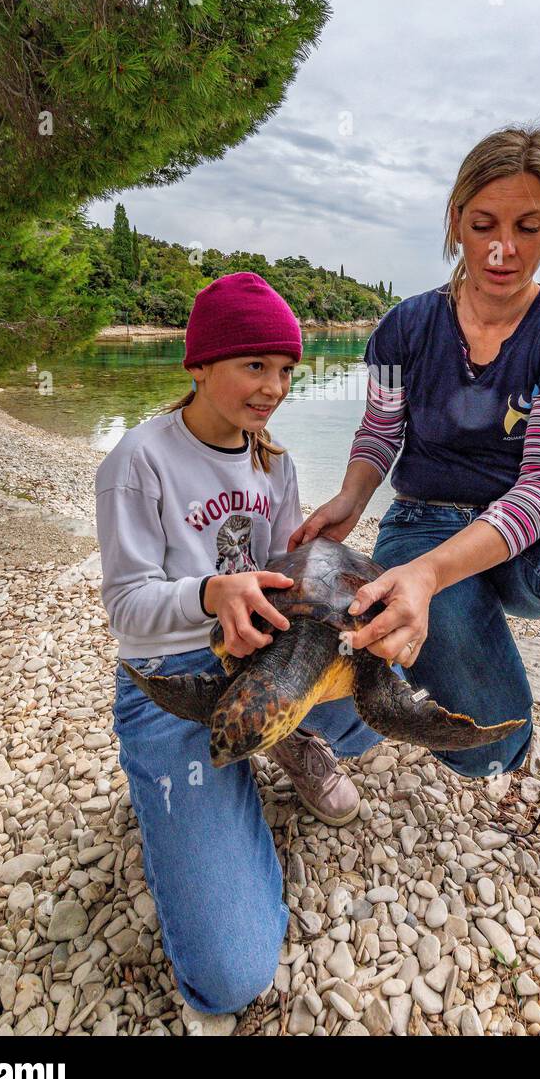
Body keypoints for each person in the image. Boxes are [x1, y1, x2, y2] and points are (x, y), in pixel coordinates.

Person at [290, 124, 540, 939]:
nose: (503, 248)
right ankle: (418, 667)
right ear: (456, 218)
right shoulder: (403, 328)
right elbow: (380, 435)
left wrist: (430, 579)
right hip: (418, 524)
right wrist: (353, 498)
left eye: (527, 226)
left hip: (522, 532)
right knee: (490, 748)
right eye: (485, 223)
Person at [96, 272, 384, 1014]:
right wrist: (208, 594)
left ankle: (277, 736)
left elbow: (285, 579)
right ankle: (184, 790)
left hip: (263, 656)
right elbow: (126, 605)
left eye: (286, 369)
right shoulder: (138, 461)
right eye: (254, 365)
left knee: (382, 698)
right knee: (230, 978)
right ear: (198, 365)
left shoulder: (274, 461)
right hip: (171, 678)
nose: (276, 386)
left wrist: (334, 578)